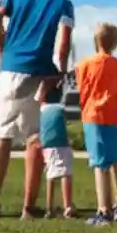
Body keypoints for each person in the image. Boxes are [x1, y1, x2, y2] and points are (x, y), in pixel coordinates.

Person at [0, 0, 75, 220]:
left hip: (9, 70)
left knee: (1, 138)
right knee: (34, 140)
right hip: (37, 71)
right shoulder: (63, 2)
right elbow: (64, 41)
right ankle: (27, 207)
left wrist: (1, 45)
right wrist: (60, 71)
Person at [75, 22, 117, 226]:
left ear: (95, 41)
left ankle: (103, 210)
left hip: (93, 116)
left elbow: (82, 88)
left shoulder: (84, 64)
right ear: (115, 42)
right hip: (114, 116)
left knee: (99, 164)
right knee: (116, 161)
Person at [39, 81, 78, 219]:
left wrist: (44, 85)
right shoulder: (61, 108)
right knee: (65, 173)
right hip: (61, 143)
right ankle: (67, 206)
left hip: (47, 145)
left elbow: (40, 97)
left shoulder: (42, 109)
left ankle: (49, 207)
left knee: (50, 174)